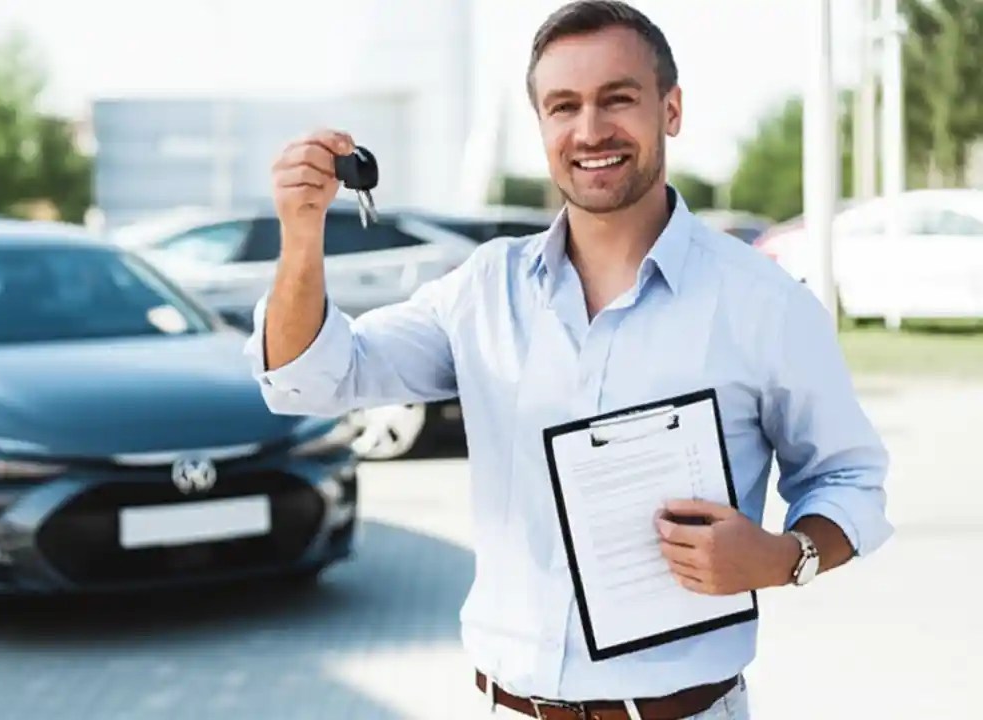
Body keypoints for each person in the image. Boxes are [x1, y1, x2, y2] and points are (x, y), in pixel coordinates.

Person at [245, 1, 892, 717]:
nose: (590, 131)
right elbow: (311, 380)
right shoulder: (482, 291)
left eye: (618, 99)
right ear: (543, 127)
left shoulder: (764, 304)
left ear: (670, 110)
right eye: (564, 106)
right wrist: (302, 237)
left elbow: (851, 479)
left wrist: (781, 558)